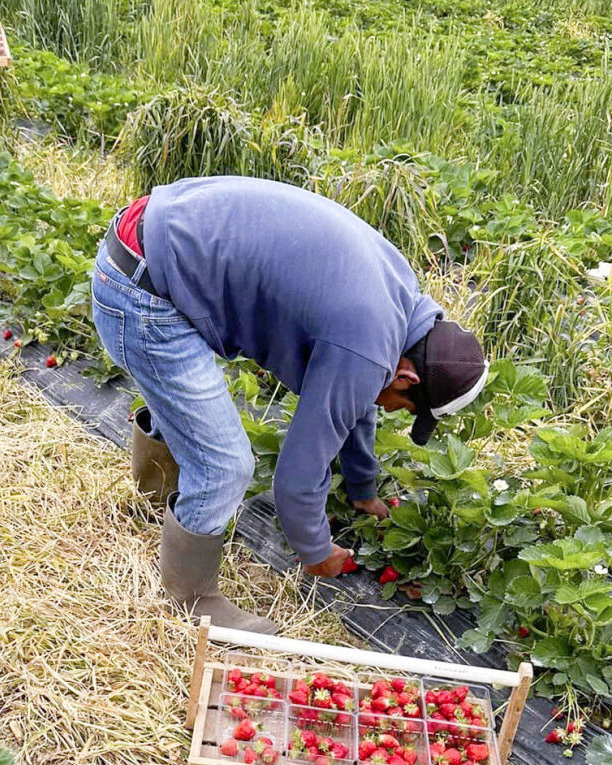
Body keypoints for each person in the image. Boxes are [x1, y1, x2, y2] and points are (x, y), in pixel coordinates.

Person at [92, 176, 489, 633]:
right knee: (226, 465)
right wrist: (315, 550)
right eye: (405, 405)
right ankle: (191, 597)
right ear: (407, 376)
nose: (397, 412)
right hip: (140, 290)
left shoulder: (397, 299)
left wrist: (363, 488)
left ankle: (156, 500)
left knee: (191, 413)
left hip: (153, 239)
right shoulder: (367, 344)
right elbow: (296, 479)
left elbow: (358, 402)